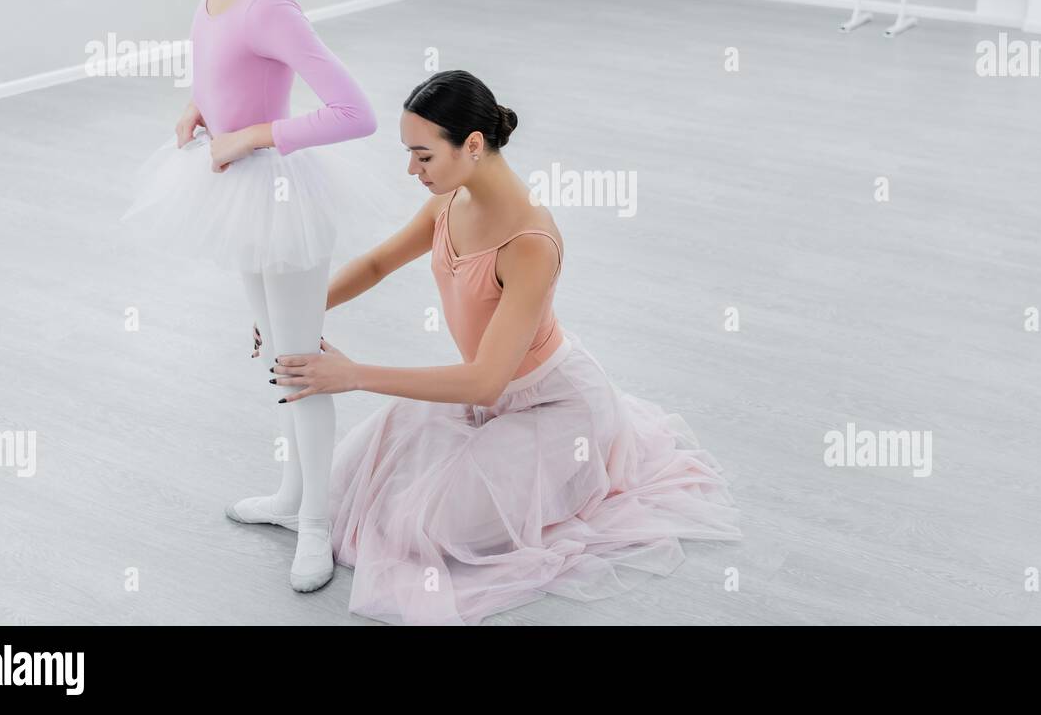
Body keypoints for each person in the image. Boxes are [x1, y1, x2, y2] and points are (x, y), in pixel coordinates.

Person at [266, 69, 745, 625]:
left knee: (419, 529)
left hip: (552, 406)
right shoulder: (448, 203)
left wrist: (351, 374)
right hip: (484, 391)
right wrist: (296, 314)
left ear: (472, 145)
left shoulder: (530, 243)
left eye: (423, 156)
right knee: (353, 477)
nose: (411, 170)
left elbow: (486, 381)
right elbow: (376, 263)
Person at [119, 0, 390, 594]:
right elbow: (222, 65)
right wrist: (200, 105)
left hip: (280, 193)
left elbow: (354, 111)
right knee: (277, 348)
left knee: (302, 363)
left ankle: (317, 525)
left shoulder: (272, 6)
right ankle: (292, 495)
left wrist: (253, 133)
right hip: (236, 191)